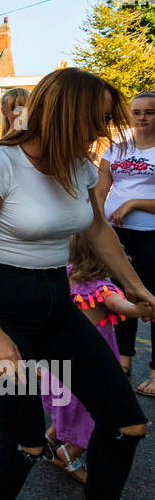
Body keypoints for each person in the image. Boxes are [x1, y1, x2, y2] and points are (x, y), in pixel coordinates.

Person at [0, 67, 155, 500]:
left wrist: (136, 289)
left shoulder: (80, 167)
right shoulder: (0, 162)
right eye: (96, 119)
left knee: (126, 424)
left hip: (54, 301)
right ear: (67, 114)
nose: (103, 132)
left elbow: (96, 229)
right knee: (24, 438)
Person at [41, 233, 150, 484]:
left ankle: (52, 438)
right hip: (90, 367)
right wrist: (141, 309)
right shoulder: (102, 289)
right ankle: (68, 454)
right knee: (94, 416)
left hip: (60, 363)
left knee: (67, 410)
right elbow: (126, 308)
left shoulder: (64, 277)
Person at [96, 91, 155, 397]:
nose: (142, 117)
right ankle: (124, 359)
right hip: (116, 235)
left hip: (150, 233)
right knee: (120, 296)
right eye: (137, 112)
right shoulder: (117, 148)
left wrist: (135, 202)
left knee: (151, 298)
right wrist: (92, 222)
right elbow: (101, 188)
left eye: (150, 112)